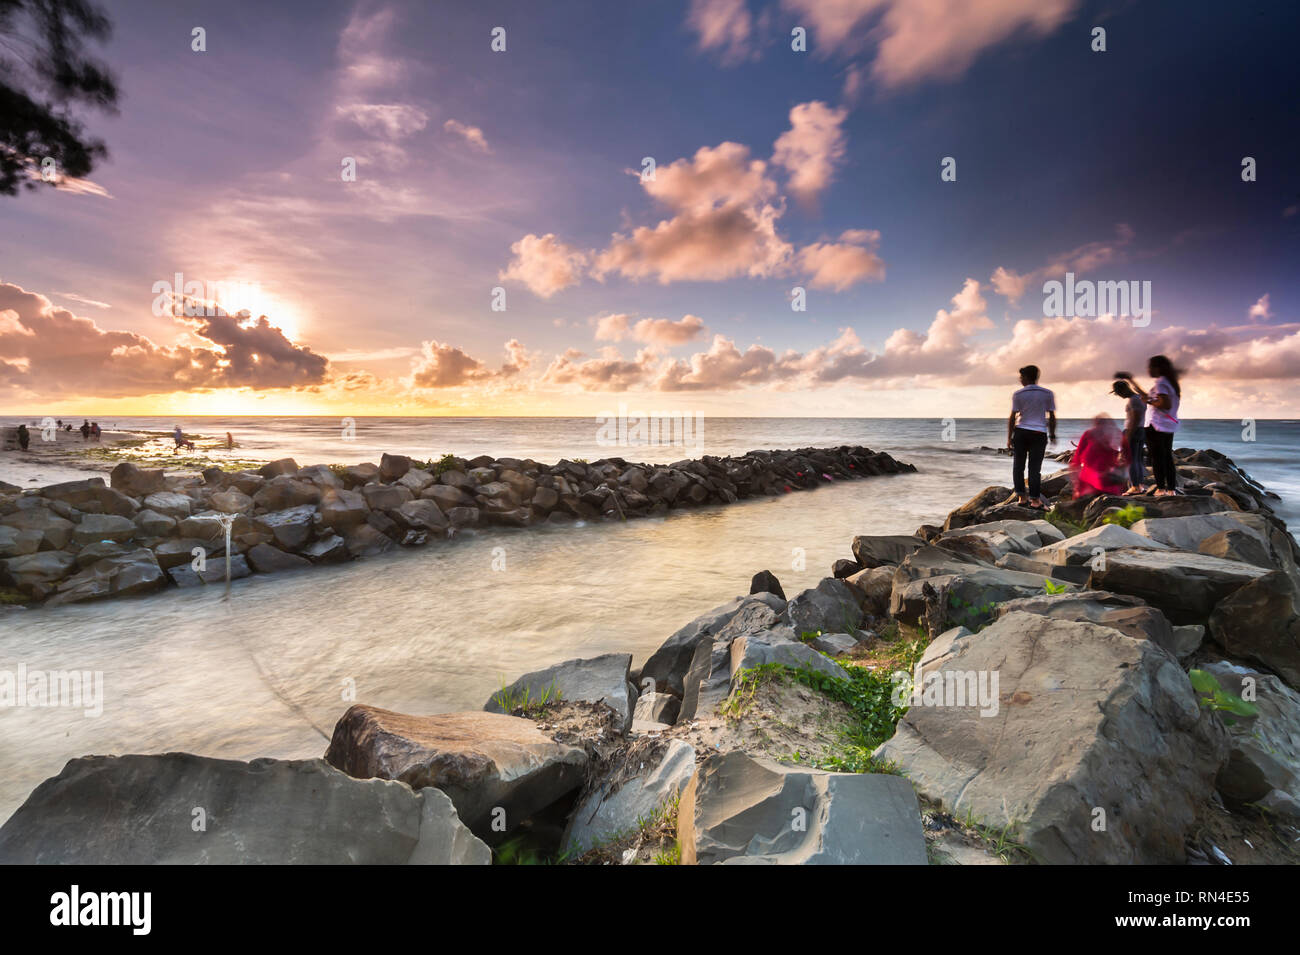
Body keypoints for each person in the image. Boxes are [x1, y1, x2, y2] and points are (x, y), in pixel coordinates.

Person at [1123, 356, 1182, 496]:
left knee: (1157, 458)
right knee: (1167, 457)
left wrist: (1150, 401)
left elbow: (1165, 404)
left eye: (1150, 366)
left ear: (1158, 368)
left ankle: (1161, 489)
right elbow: (1147, 396)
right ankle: (1171, 490)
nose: (1148, 369)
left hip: (1156, 424)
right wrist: (1132, 381)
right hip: (1168, 425)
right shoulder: (1170, 383)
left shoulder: (1161, 382)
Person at [1006, 365, 1057, 508]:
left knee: (1018, 466)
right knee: (1035, 468)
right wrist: (1052, 434)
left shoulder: (1018, 394)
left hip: (1021, 432)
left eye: (1021, 377)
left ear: (1026, 378)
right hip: (1039, 433)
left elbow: (1012, 417)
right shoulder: (1047, 393)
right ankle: (1035, 501)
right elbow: (1051, 416)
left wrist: (1009, 437)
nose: (1020, 380)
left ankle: (1022, 498)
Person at [1071, 414, 1125, 497]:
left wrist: (1076, 482)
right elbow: (1120, 454)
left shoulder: (1088, 433)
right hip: (1106, 477)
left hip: (1091, 476)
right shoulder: (1113, 435)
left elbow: (1078, 456)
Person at [1111, 378, 1148, 494]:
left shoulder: (1133, 400)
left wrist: (1128, 436)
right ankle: (1140, 485)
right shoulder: (1139, 398)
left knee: (1130, 461)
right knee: (1137, 459)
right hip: (1141, 430)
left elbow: (1135, 419)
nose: (1118, 395)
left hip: (1133, 431)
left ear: (1123, 390)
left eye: (1118, 392)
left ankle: (1135, 486)